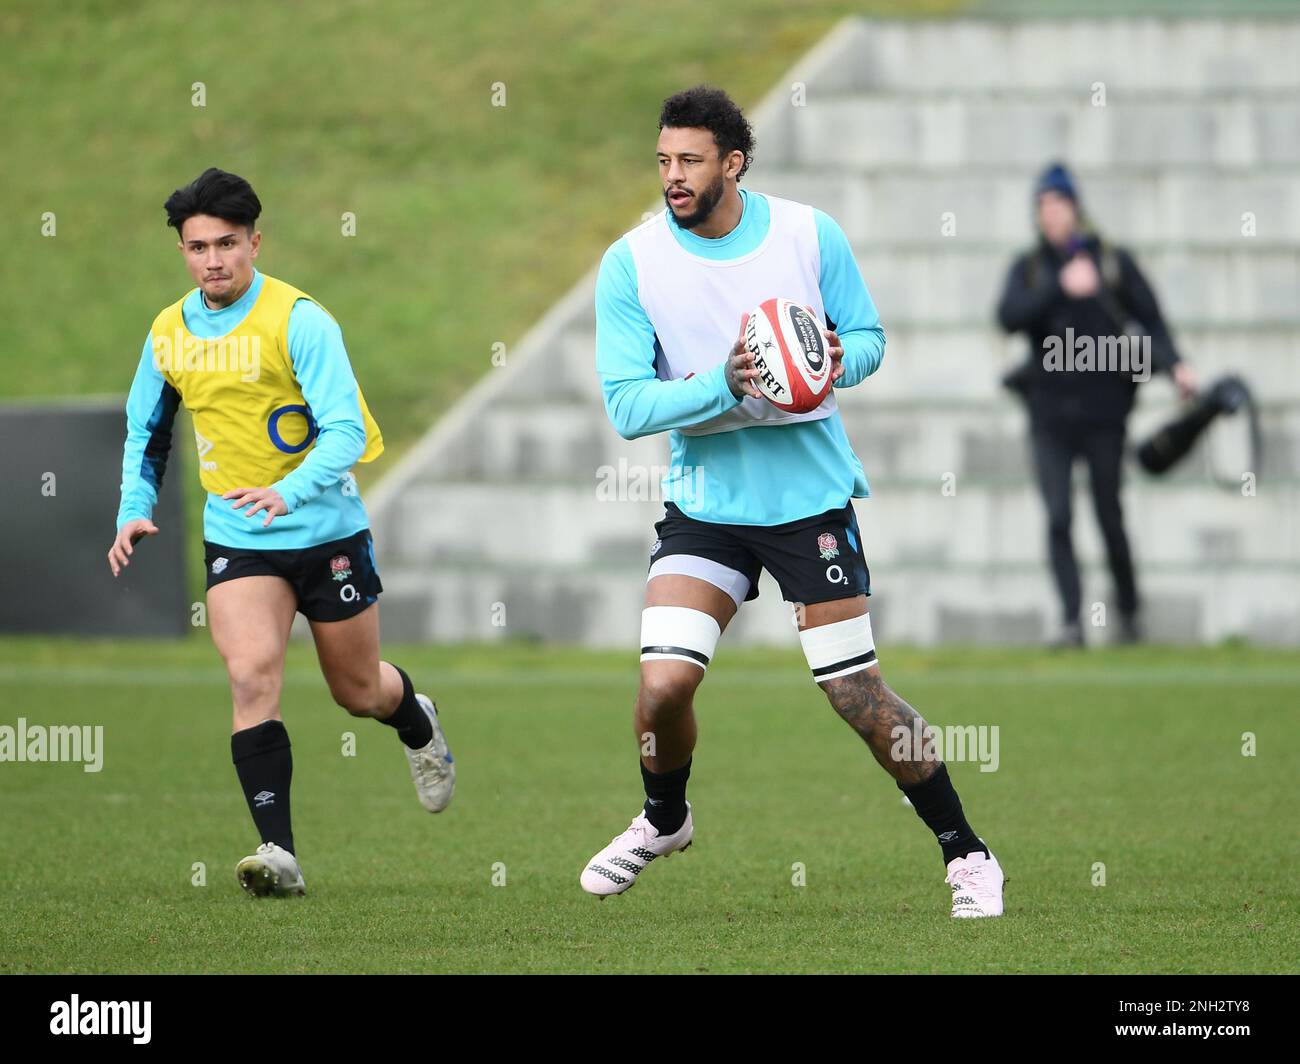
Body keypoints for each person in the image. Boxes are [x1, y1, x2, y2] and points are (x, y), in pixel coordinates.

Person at [585, 87, 1004, 917]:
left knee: (854, 692)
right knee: (663, 686)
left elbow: (871, 340)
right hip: (707, 505)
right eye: (664, 160)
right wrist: (727, 383)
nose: (673, 176)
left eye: (691, 161)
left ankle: (968, 852)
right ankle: (664, 819)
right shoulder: (631, 263)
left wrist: (823, 362)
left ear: (733, 163)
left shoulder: (811, 234)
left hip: (809, 502)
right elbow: (629, 406)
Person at [107, 168, 455, 897]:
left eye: (227, 244)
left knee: (359, 692)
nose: (213, 260)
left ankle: (416, 721)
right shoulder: (169, 332)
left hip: (326, 534)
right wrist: (132, 507)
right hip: (240, 538)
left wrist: (286, 490)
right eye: (198, 246)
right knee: (249, 675)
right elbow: (148, 433)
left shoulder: (301, 320)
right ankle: (278, 851)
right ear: (182, 251)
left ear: (255, 243)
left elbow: (346, 432)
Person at [997, 162, 1197, 647]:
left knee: (1110, 513)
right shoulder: (1031, 268)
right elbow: (1009, 317)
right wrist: (1059, 288)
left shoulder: (1112, 262)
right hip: (1049, 416)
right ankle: (1071, 621)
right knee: (1059, 515)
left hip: (1105, 413)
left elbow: (1151, 319)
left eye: (1058, 203)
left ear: (1075, 207)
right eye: (1042, 205)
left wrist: (1176, 368)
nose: (1050, 214)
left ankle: (1127, 613)